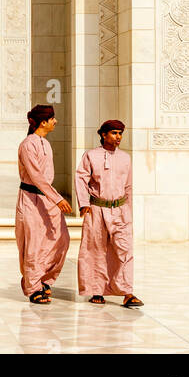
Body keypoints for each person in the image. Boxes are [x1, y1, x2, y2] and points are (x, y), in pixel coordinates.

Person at [75, 119, 143, 308]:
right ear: (103, 135)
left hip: (120, 210)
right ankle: (97, 290)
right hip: (96, 209)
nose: (118, 137)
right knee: (95, 250)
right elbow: (81, 179)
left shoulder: (125, 158)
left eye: (120, 133)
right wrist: (83, 204)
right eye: (114, 133)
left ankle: (127, 292)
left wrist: (127, 210)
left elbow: (128, 186)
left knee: (125, 249)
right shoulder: (91, 156)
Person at [15, 104, 72, 304]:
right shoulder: (27, 145)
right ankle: (32, 287)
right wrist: (58, 198)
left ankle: (45, 279)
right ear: (43, 121)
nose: (55, 121)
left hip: (48, 200)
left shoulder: (45, 144)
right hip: (31, 199)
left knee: (61, 239)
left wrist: (53, 199)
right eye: (52, 118)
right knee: (33, 244)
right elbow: (36, 176)